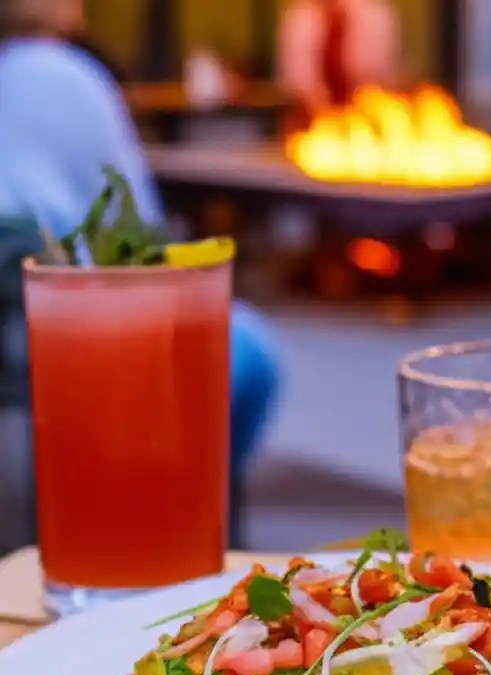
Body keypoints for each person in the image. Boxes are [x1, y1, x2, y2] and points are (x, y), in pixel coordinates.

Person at [0, 0, 281, 544]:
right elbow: (141, 246)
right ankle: (178, 532)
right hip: (61, 342)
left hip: (19, 342)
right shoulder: (61, 75)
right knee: (248, 349)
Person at [278, 0, 399, 120]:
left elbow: (376, 77)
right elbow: (297, 83)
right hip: (312, 119)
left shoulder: (375, 16)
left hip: (364, 115)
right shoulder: (299, 19)